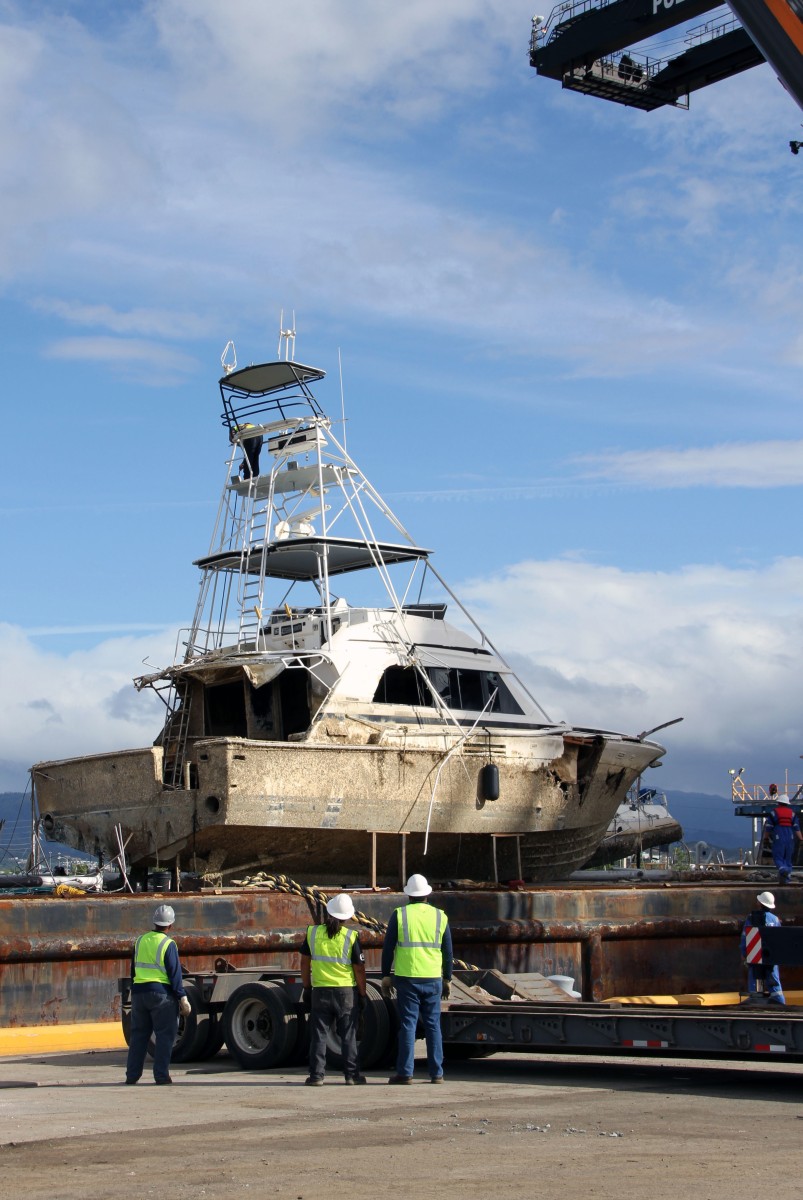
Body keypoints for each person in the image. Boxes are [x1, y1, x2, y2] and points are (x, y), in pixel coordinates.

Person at [381, 872, 453, 1085]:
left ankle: (405, 1073)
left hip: (407, 978)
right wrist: (447, 978)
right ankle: (437, 1073)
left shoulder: (400, 915)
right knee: (433, 1025)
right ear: (427, 895)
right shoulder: (440, 916)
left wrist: (386, 975)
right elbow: (448, 952)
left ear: (408, 895)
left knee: (408, 1025)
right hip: (432, 978)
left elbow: (388, 947)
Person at [300, 893, 367, 1086]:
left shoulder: (313, 933)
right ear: (347, 916)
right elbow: (359, 969)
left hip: (320, 990)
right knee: (348, 1035)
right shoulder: (351, 936)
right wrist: (362, 994)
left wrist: (307, 987)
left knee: (319, 1034)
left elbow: (304, 963)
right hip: (345, 992)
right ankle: (352, 1076)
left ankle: (316, 1076)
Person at [125, 904, 191, 1085]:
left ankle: (132, 1076)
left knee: (138, 1035)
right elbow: (174, 973)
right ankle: (161, 1076)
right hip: (161, 995)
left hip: (139, 993)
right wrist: (182, 996)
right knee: (164, 1035)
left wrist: (136, 988)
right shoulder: (168, 944)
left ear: (155, 922)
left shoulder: (140, 940)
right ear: (171, 925)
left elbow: (133, 970)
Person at [740, 890, 785, 1004]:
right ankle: (781, 1004)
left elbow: (745, 937)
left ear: (760, 903)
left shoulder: (752, 918)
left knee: (755, 982)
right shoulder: (775, 920)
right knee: (774, 983)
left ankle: (755, 1003)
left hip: (755, 956)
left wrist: (744, 953)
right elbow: (780, 939)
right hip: (771, 957)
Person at [763, 785, 803, 885]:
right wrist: (801, 839)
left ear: (779, 803)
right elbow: (797, 828)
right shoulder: (792, 813)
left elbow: (768, 827)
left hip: (779, 835)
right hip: (790, 836)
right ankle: (786, 879)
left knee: (778, 857)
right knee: (788, 858)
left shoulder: (774, 813)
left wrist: (766, 839)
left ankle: (782, 870)